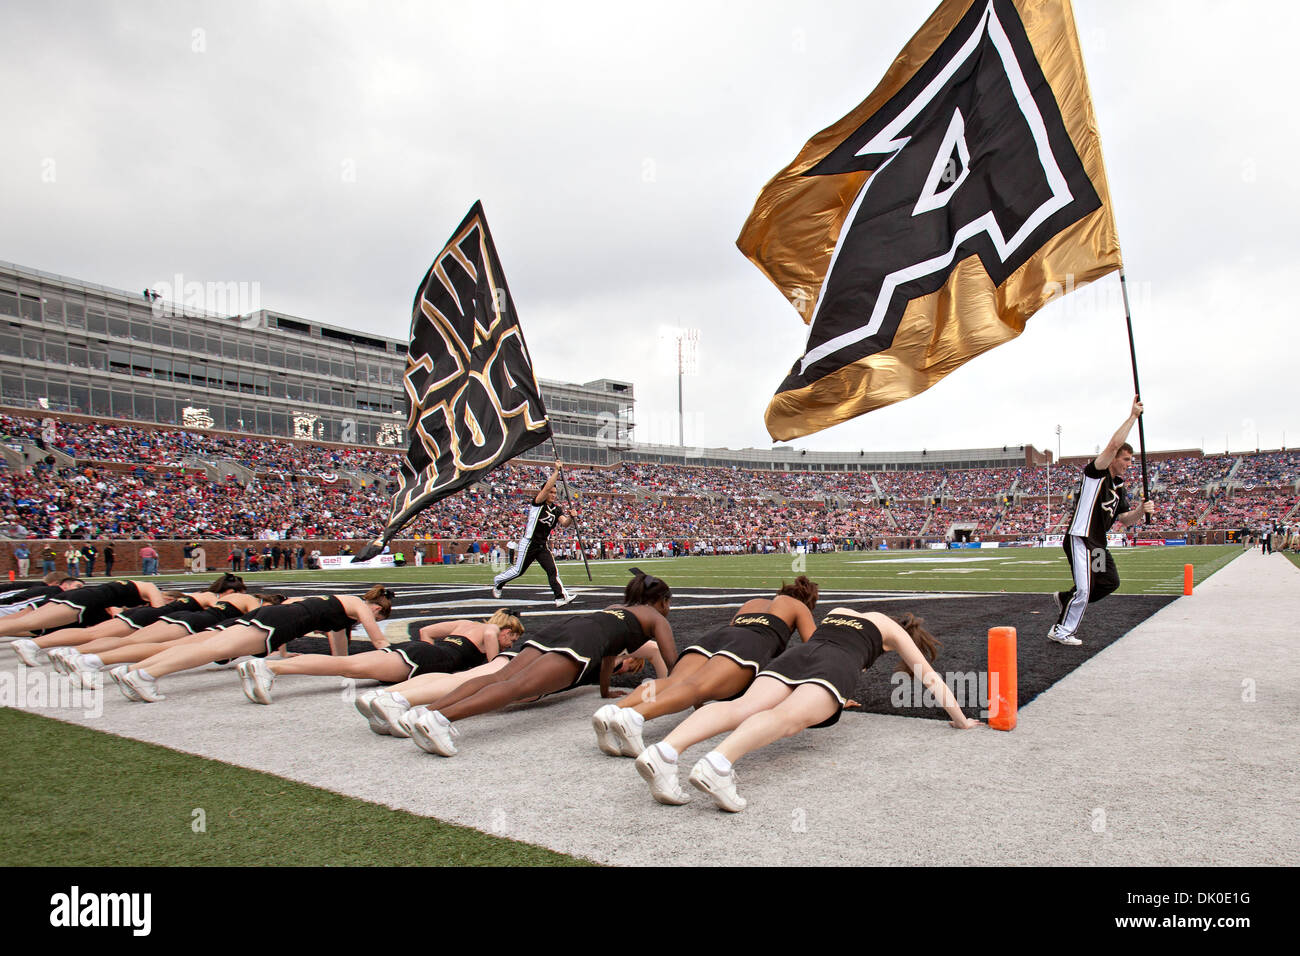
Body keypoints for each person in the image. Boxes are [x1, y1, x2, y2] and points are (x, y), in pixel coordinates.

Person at [634, 608, 979, 812]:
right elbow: (929, 678)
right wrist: (961, 721)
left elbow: (822, 644)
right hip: (835, 664)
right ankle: (718, 764)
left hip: (798, 656)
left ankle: (664, 753)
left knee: (740, 707)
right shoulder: (890, 630)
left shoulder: (838, 613)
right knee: (786, 718)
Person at [406, 569, 677, 756]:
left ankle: (427, 712)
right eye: (668, 603)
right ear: (661, 601)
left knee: (500, 677)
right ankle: (441, 720)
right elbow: (671, 659)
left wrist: (604, 692)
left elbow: (609, 656)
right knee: (519, 687)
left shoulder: (616, 609)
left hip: (565, 627)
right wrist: (684, 688)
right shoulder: (656, 619)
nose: (668, 610)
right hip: (582, 643)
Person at [591, 576, 819, 757]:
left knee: (673, 682)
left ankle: (615, 710)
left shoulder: (752, 602)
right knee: (696, 687)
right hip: (750, 644)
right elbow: (815, 649)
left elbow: (732, 631)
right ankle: (634, 718)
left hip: (719, 636)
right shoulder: (798, 607)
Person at [110, 586, 395, 702]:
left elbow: (340, 653)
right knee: (216, 650)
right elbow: (379, 638)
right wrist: (388, 658)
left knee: (210, 645)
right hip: (282, 620)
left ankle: (135, 670)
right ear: (376, 607)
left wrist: (345, 668)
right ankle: (146, 675)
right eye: (379, 613)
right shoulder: (358, 604)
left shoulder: (338, 606)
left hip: (273, 614)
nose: (375, 617)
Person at [237, 609, 525, 705]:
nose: (510, 641)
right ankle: (270, 668)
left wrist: (434, 652)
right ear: (506, 627)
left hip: (420, 653)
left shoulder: (467, 624)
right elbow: (491, 667)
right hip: (427, 661)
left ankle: (269, 668)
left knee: (348, 668)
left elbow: (426, 630)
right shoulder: (489, 630)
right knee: (346, 667)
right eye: (512, 636)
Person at [1047, 397, 1155, 646]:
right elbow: (1114, 443)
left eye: (1131, 460)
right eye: (1126, 459)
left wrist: (1140, 510)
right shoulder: (1096, 474)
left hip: (1097, 544)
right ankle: (1062, 630)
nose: (1130, 464)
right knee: (1084, 590)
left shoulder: (1119, 487)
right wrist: (1132, 417)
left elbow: (1125, 520)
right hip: (1081, 539)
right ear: (1115, 458)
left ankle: (1066, 598)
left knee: (1107, 582)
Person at [492, 461, 576, 607]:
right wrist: (556, 471)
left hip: (542, 545)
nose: (553, 495)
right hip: (529, 542)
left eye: (555, 493)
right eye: (551, 492)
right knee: (518, 571)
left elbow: (565, 523)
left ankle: (560, 597)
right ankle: (498, 581)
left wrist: (572, 517)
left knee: (552, 570)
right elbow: (546, 488)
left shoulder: (556, 509)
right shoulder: (538, 503)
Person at [0, 578, 169, 641]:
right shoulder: (150, 588)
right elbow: (160, 612)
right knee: (25, 623)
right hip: (82, 600)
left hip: (79, 600)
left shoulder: (136, 595)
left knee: (22, 624)